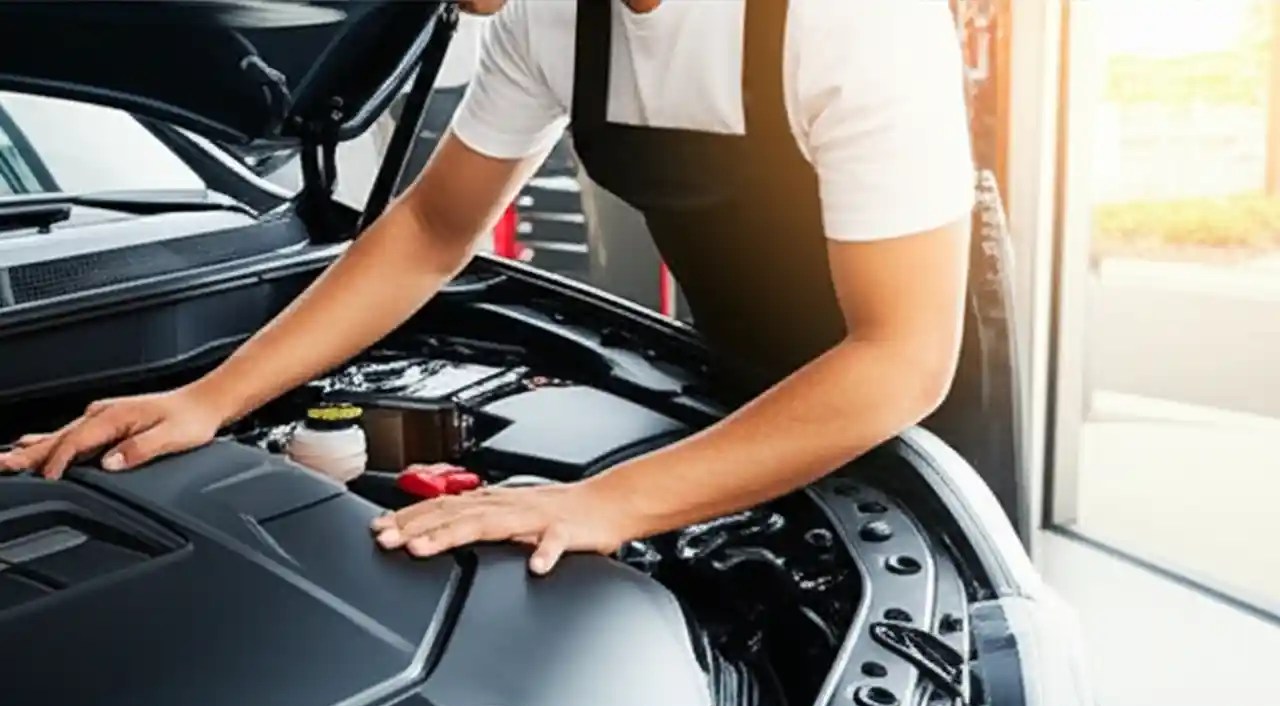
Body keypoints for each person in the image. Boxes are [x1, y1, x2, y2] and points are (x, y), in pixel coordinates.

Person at [0, 0, 976, 576]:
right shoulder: (553, 18)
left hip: (907, 385)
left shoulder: (849, 18)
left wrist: (602, 504)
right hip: (729, 360)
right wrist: (206, 398)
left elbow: (898, 358)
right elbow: (429, 229)